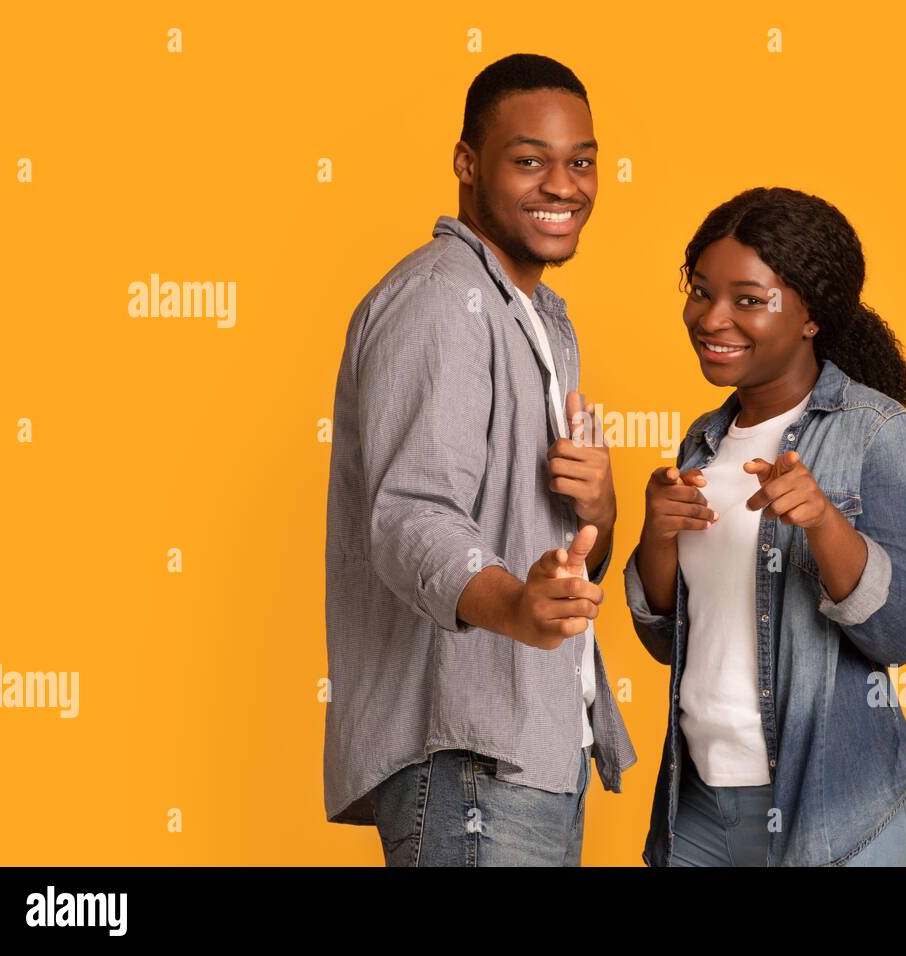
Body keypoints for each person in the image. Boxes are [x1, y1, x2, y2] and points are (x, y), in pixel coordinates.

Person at [323, 53, 636, 866]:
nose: (563, 186)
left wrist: (599, 507)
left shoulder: (537, 318)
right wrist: (516, 608)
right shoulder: (441, 301)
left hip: (534, 758)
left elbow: (557, 557)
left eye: (582, 162)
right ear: (468, 164)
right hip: (469, 761)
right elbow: (412, 519)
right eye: (529, 160)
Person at [624, 186, 906, 866]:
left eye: (748, 299)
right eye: (701, 291)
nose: (711, 318)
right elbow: (665, 640)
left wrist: (824, 521)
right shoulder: (701, 443)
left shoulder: (876, 433)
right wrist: (657, 536)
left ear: (810, 318)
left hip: (834, 808)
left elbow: (905, 626)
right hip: (699, 806)